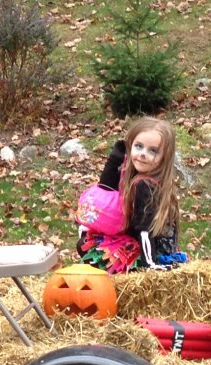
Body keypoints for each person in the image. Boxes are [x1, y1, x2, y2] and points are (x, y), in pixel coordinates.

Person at [78, 116, 183, 273]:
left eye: (152, 151)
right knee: (85, 242)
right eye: (138, 146)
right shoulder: (137, 177)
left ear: (164, 157)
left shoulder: (145, 185)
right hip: (142, 245)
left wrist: (150, 265)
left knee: (88, 247)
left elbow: (145, 230)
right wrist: (114, 160)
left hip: (148, 253)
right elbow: (105, 190)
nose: (142, 154)